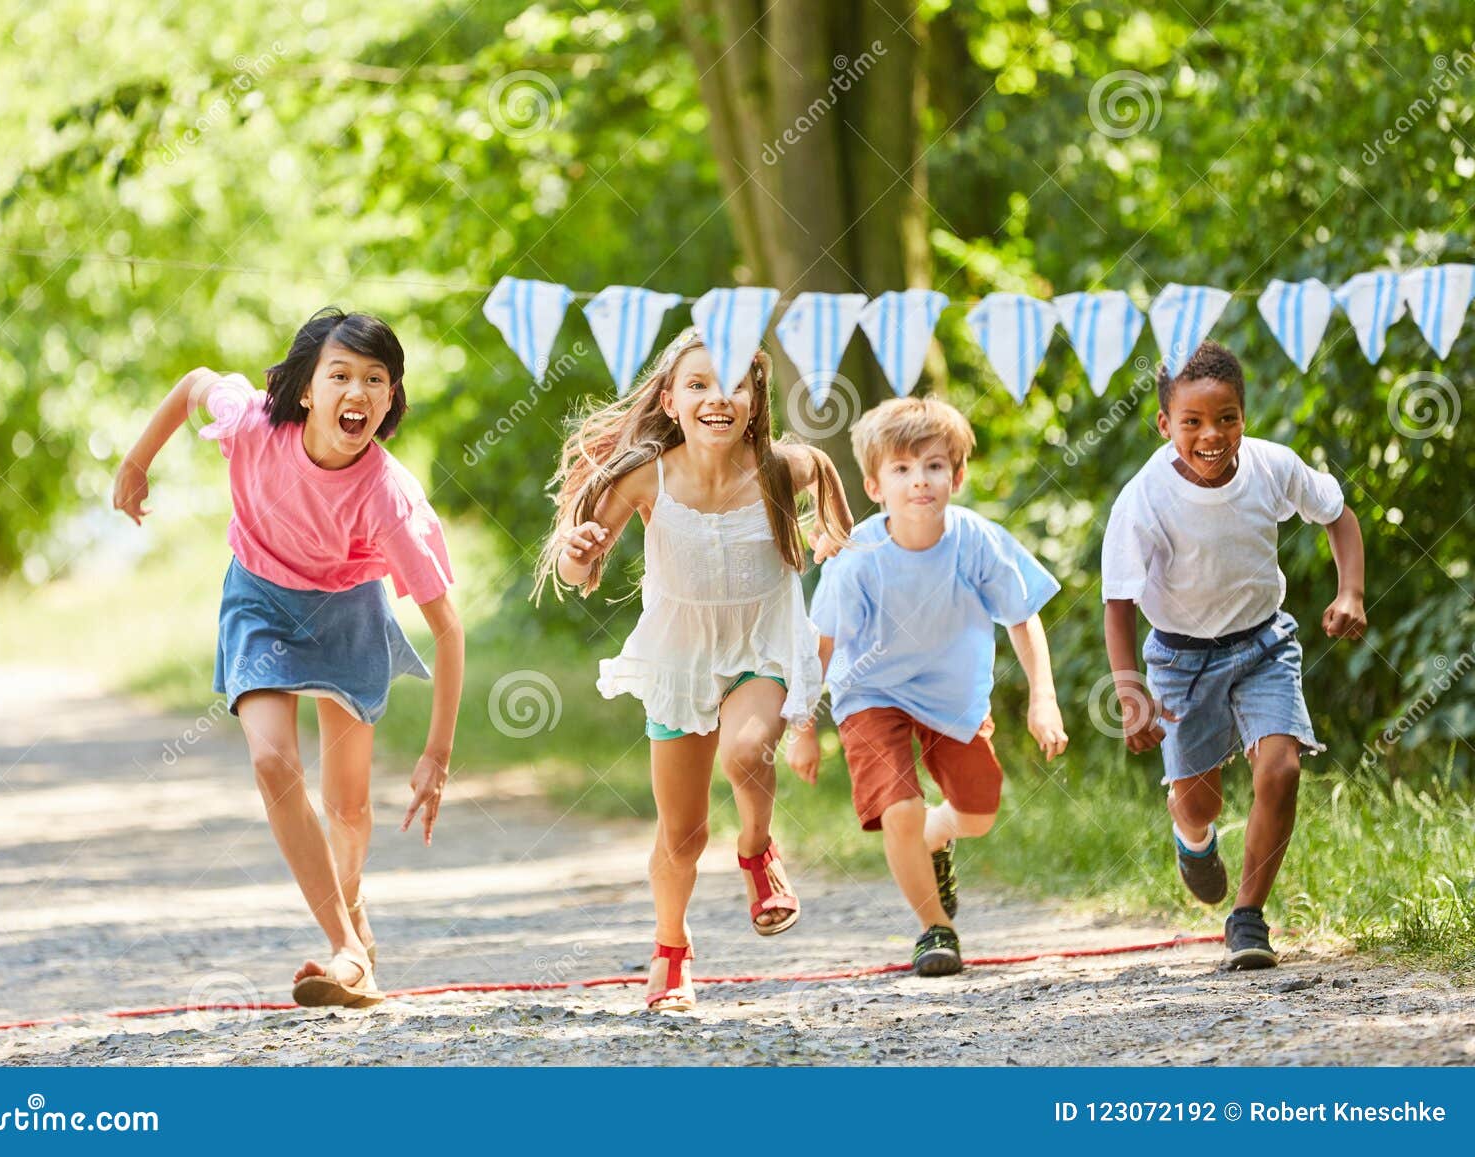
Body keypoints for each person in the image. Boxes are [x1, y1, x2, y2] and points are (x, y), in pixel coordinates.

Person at [113, 308, 465, 1007]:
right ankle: (346, 945)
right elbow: (192, 385)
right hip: (261, 602)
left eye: (376, 379)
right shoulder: (251, 425)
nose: (357, 392)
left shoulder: (385, 495)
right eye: (340, 375)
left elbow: (448, 629)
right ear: (307, 387)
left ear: (391, 399)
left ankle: (353, 911)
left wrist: (437, 753)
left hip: (347, 612)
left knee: (349, 804)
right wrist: (135, 461)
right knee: (273, 760)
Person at [536, 327, 852, 1013]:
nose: (718, 397)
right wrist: (577, 550)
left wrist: (832, 535)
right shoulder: (647, 475)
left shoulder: (781, 467)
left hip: (761, 645)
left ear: (756, 398)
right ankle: (671, 949)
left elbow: (831, 495)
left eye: (735, 383)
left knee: (745, 752)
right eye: (699, 384)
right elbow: (580, 569)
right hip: (682, 659)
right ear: (672, 402)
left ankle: (758, 851)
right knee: (680, 834)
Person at [1101, 339, 1366, 969]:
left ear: (1244, 415)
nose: (1211, 435)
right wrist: (1129, 690)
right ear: (1165, 424)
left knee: (1281, 770)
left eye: (1226, 418)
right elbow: (1118, 602)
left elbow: (1337, 514)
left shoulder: (1272, 467)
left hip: (1263, 644)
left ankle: (1248, 917)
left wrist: (1350, 589)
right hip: (1180, 661)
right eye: (1191, 422)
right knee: (1202, 802)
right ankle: (1192, 838)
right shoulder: (1143, 498)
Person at [789, 396, 1067, 976]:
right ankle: (934, 929)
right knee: (901, 809)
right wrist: (802, 726)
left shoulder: (976, 541)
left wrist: (1043, 697)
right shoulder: (858, 557)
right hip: (870, 693)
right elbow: (822, 646)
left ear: (957, 475)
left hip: (952, 697)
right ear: (874, 484)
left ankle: (937, 839)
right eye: (902, 469)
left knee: (979, 812)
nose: (920, 481)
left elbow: (1021, 616)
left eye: (934, 466)